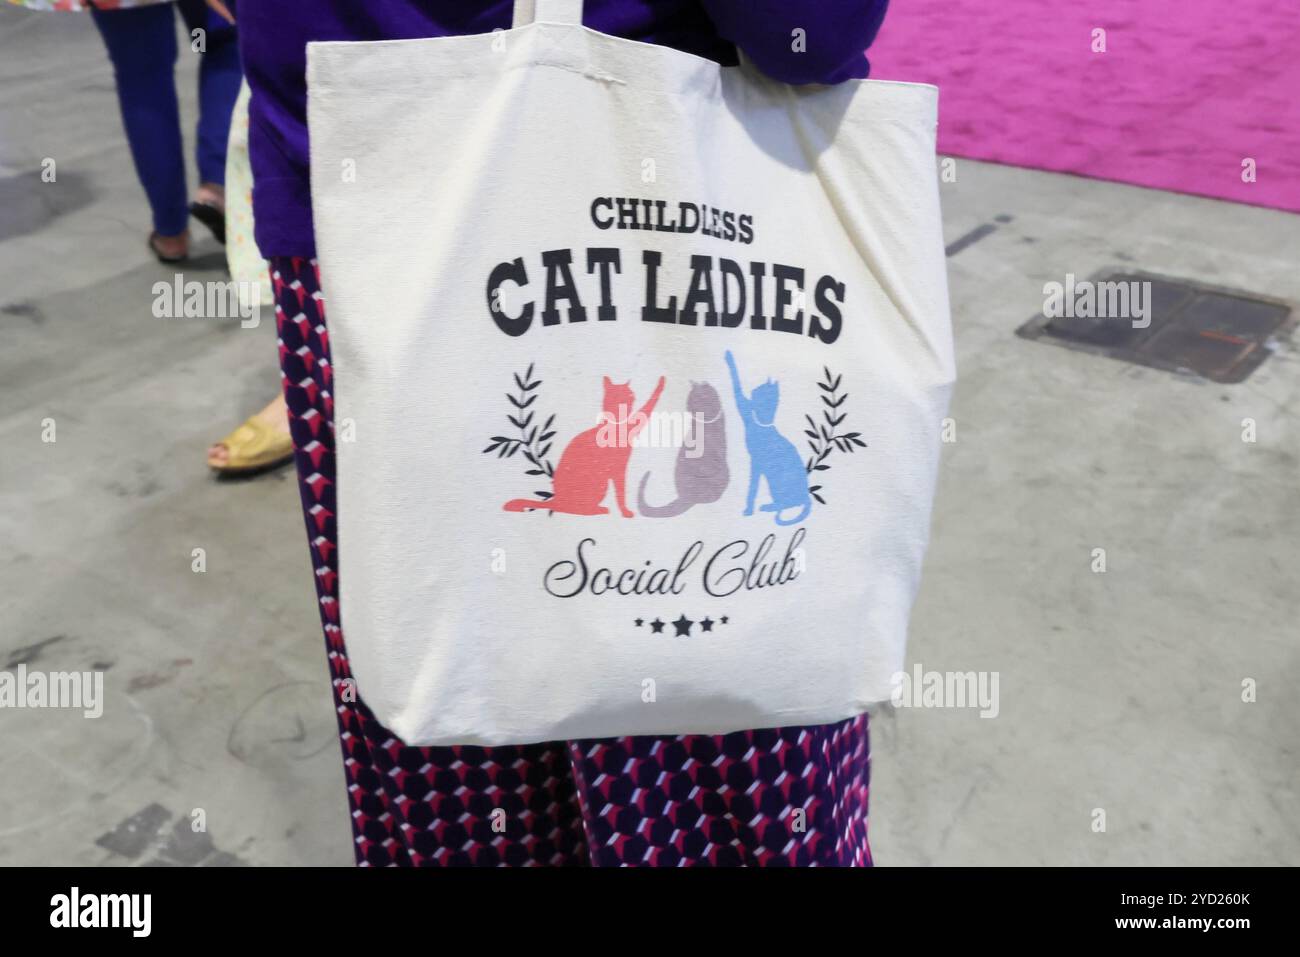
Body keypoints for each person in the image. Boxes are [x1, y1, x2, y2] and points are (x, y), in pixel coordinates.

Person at [239, 0, 891, 867]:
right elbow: (807, 28)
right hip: (673, 212)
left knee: (459, 758)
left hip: (374, 202)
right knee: (722, 763)